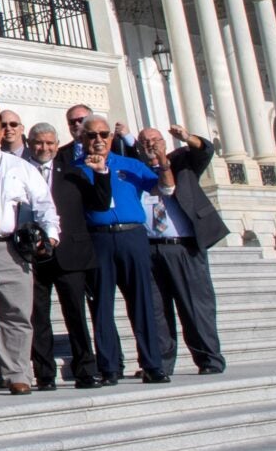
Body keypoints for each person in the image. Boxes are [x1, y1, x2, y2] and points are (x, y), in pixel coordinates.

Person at [71, 115, 170, 384]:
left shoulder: (130, 165)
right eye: (92, 135)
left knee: (142, 302)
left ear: (111, 138)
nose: (99, 140)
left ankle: (152, 363)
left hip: (132, 236)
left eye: (104, 134)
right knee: (101, 305)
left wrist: (163, 162)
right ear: (82, 139)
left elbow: (164, 187)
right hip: (98, 238)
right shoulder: (75, 168)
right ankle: (109, 366)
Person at [0, 108, 60, 395]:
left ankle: (17, 372)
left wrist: (52, 235)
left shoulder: (20, 167)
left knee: (16, 314)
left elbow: (44, 202)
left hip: (12, 248)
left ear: (3, 133)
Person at [140, 125, 229, 374]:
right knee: (157, 311)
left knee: (196, 306)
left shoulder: (182, 163)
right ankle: (161, 364)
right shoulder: (136, 170)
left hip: (183, 246)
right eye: (144, 141)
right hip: (149, 247)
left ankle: (209, 360)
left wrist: (187, 138)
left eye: (155, 140)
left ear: (164, 142)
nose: (150, 145)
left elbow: (205, 151)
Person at [25, 121, 99, 389]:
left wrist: (101, 174)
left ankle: (85, 370)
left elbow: (99, 203)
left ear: (57, 145)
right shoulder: (19, 171)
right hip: (33, 255)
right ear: (29, 144)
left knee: (76, 315)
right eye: (38, 143)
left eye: (49, 143)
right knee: (38, 317)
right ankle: (44, 374)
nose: (44, 147)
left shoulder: (72, 173)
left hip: (70, 254)